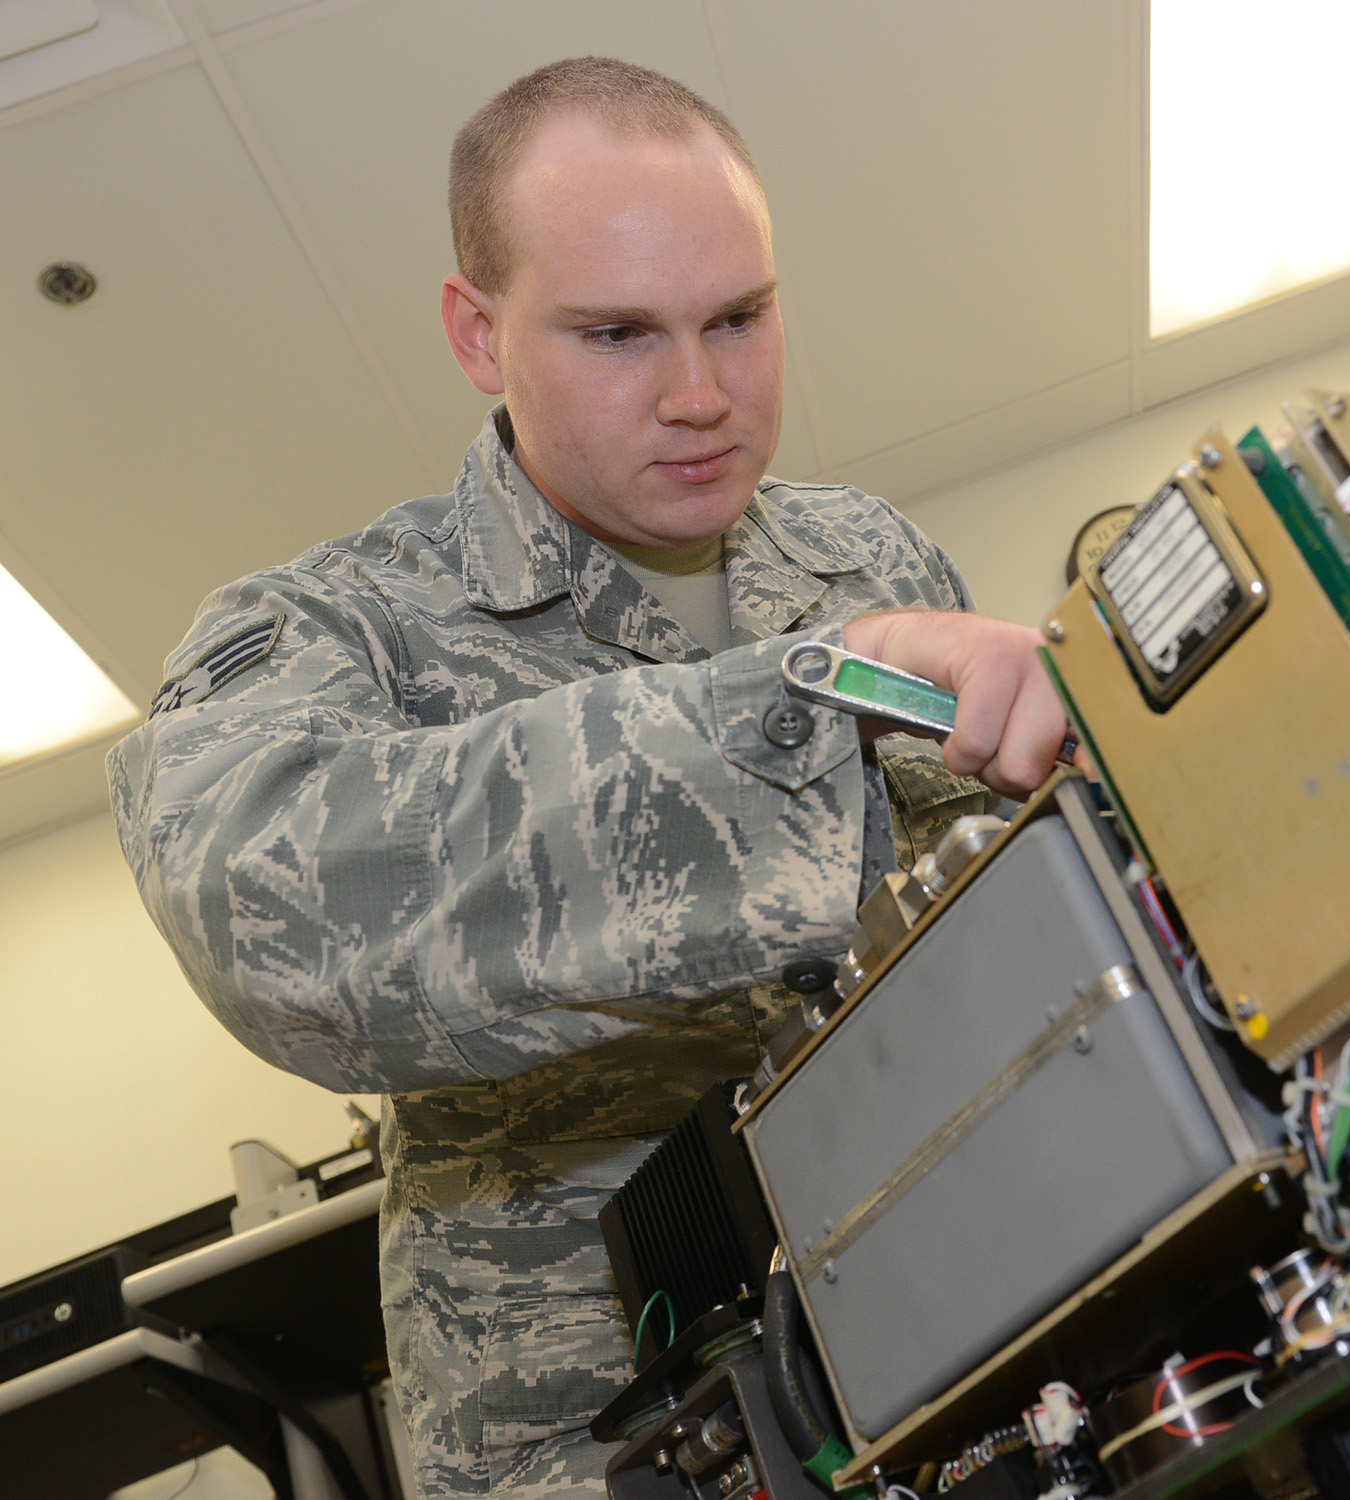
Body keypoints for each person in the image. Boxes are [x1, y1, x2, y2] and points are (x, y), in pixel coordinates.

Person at [107, 56, 1069, 1498]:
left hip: (977, 1339)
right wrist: (803, 703)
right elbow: (270, 913)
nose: (701, 393)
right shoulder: (331, 628)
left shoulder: (864, 556)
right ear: (477, 335)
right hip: (612, 1437)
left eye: (739, 318)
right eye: (618, 333)